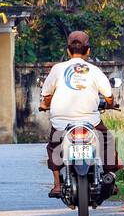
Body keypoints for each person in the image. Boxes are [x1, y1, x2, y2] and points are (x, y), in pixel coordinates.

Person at [38, 31, 116, 198]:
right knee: (107, 142)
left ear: (68, 50)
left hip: (61, 122)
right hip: (90, 122)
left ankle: (57, 185)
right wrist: (110, 104)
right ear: (88, 51)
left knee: (54, 147)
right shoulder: (94, 70)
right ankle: (110, 177)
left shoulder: (58, 69)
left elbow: (46, 94)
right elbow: (108, 95)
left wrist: (46, 104)